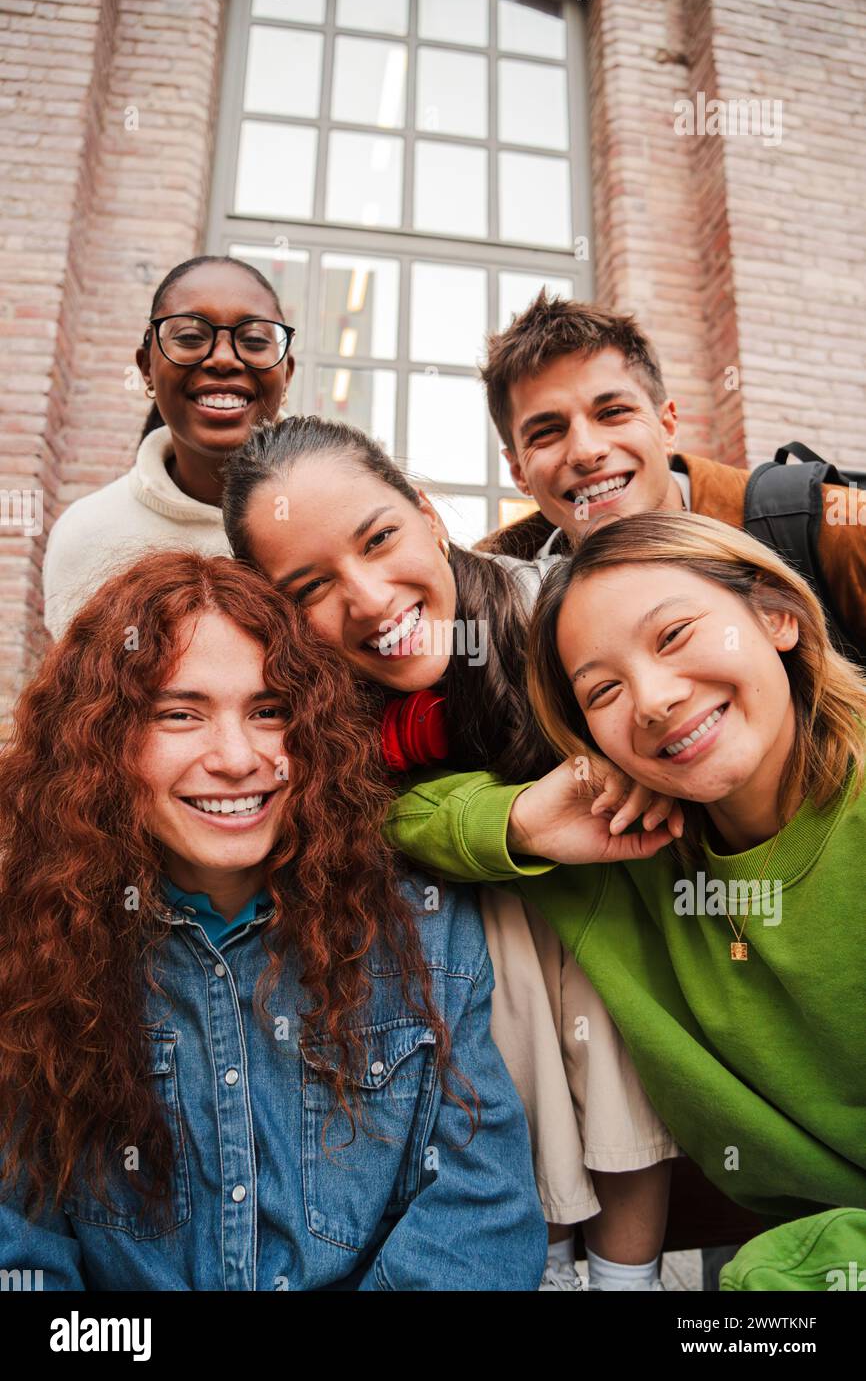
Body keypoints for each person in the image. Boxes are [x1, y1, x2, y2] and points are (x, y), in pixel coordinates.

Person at [0, 551, 547, 1291]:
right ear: (99, 740)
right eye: (180, 714)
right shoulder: (32, 943)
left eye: (269, 712)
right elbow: (20, 1250)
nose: (236, 758)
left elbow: (482, 1215)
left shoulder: (421, 925)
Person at [222, 415, 682, 1293]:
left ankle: (624, 1277)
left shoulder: (556, 614)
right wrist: (509, 824)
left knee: (549, 918)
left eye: (379, 539)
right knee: (458, 914)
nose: (368, 599)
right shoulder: (308, 719)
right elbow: (376, 822)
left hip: (643, 961)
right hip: (463, 1033)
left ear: (428, 515)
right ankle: (536, 1254)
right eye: (311, 586)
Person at [386, 512, 866, 1227]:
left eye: (674, 635)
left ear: (775, 615)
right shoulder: (628, 854)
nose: (653, 701)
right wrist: (522, 820)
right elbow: (388, 817)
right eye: (603, 691)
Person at [475, 291, 866, 655]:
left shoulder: (833, 529)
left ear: (667, 426)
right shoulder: (490, 608)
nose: (586, 452)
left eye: (613, 412)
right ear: (518, 471)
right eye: (546, 432)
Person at [42, 255, 295, 640]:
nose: (223, 359)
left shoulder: (336, 513)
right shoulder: (87, 534)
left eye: (254, 340)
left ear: (286, 371)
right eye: (191, 337)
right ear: (147, 367)